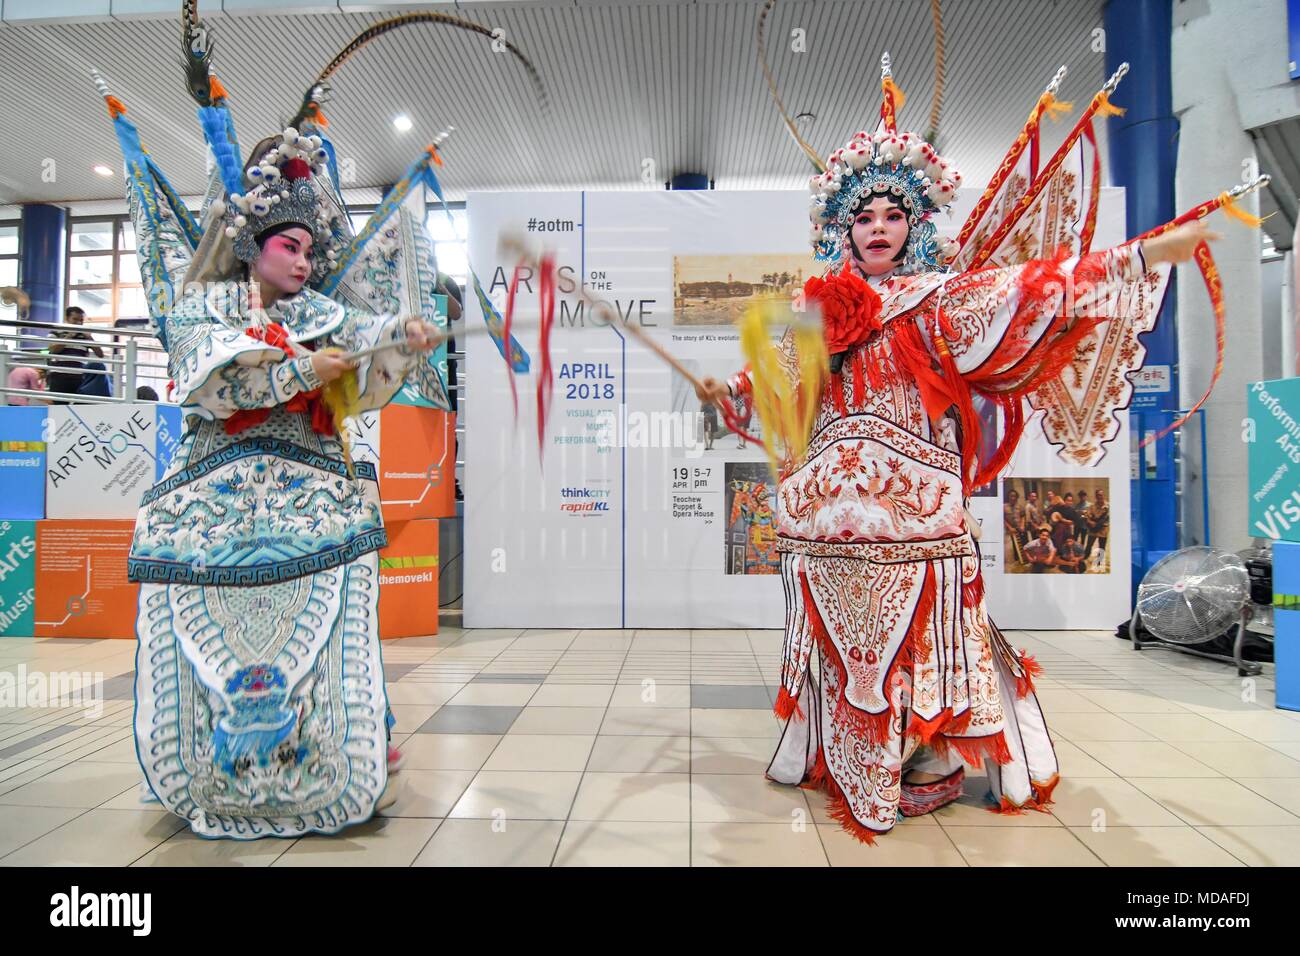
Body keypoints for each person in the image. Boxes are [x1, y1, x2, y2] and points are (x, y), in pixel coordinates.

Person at [694, 55, 1222, 841]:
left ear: (915, 225)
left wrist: (1138, 257)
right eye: (863, 218)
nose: (877, 229)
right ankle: (859, 764)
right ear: (844, 228)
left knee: (919, 651)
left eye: (892, 216)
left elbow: (1032, 290)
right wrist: (725, 394)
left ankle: (919, 760)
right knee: (847, 655)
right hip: (824, 530)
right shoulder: (813, 314)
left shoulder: (940, 302)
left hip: (913, 524)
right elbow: (768, 386)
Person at [97, 28, 458, 838]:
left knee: (340, 625)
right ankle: (206, 767)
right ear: (252, 245)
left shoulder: (324, 312)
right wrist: (300, 369)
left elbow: (365, 388)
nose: (302, 260)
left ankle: (347, 751)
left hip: (315, 496)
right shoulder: (212, 306)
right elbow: (211, 378)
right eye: (289, 246)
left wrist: (401, 343)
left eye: (309, 248)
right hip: (213, 498)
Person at [46, 306, 105, 400]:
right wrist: (69, 336)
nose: (78, 323)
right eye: (75, 319)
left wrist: (89, 338)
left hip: (79, 377)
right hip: (59, 376)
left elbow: (100, 354)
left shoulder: (85, 336)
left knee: (78, 408)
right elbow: (52, 350)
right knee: (58, 408)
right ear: (67, 318)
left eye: (81, 320)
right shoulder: (56, 331)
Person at [1088, 490, 1110, 571]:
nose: (1099, 496)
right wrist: (1091, 522)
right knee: (1089, 544)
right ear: (1096, 496)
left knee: (1102, 546)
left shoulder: (1108, 506)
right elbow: (1088, 516)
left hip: (1103, 529)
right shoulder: (1092, 506)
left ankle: (1099, 562)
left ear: (1103, 495)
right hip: (1093, 529)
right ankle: (1086, 556)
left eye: (1101, 495)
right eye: (1098, 495)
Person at [1003, 488, 1026, 563]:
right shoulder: (1004, 507)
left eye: (1014, 496)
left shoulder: (1020, 506)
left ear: (1017, 497)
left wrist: (1022, 525)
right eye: (1011, 496)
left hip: (1019, 529)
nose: (1013, 497)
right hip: (1009, 531)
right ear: (1008, 497)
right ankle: (1015, 560)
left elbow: (1023, 516)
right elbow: (1003, 519)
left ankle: (1021, 559)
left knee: (1021, 545)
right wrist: (1009, 527)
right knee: (1012, 547)